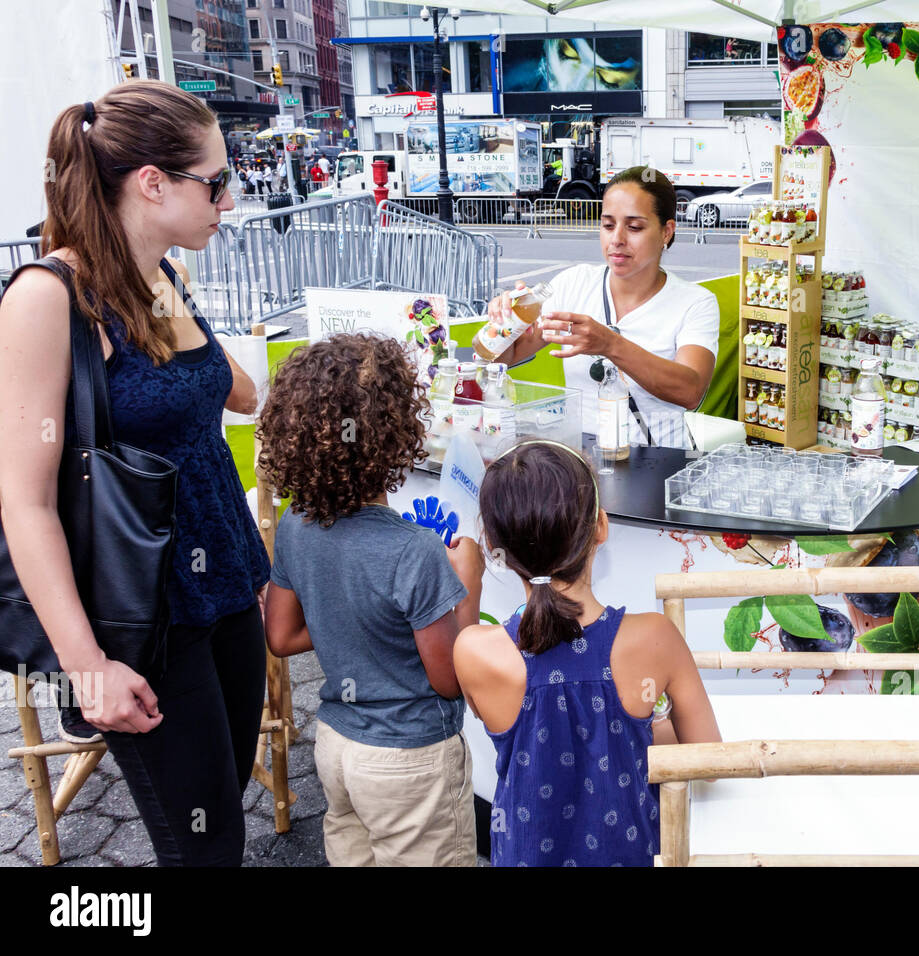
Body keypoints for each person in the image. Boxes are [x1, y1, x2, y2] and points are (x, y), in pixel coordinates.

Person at [0, 80, 268, 866]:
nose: (229, 198)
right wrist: (88, 670)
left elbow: (231, 391)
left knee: (224, 810)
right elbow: (22, 501)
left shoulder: (162, 275)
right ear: (153, 183)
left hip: (225, 590)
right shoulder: (49, 299)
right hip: (144, 619)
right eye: (216, 182)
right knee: (204, 845)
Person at [259, 333, 483, 867]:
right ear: (397, 432)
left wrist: (357, 613)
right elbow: (450, 679)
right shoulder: (415, 552)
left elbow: (282, 635)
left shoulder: (295, 522)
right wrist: (467, 584)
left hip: (336, 748)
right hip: (411, 761)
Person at [453, 441, 721, 866]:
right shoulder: (655, 638)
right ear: (600, 526)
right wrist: (645, 725)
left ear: (494, 547)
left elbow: (555, 731)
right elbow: (708, 759)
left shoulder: (472, 651)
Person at [483, 166, 719, 450]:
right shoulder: (574, 283)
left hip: (658, 462)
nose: (617, 239)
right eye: (608, 225)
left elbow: (690, 390)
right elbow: (502, 357)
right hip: (582, 462)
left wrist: (610, 344)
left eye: (634, 227)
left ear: (666, 231)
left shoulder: (695, 302)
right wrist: (503, 323)